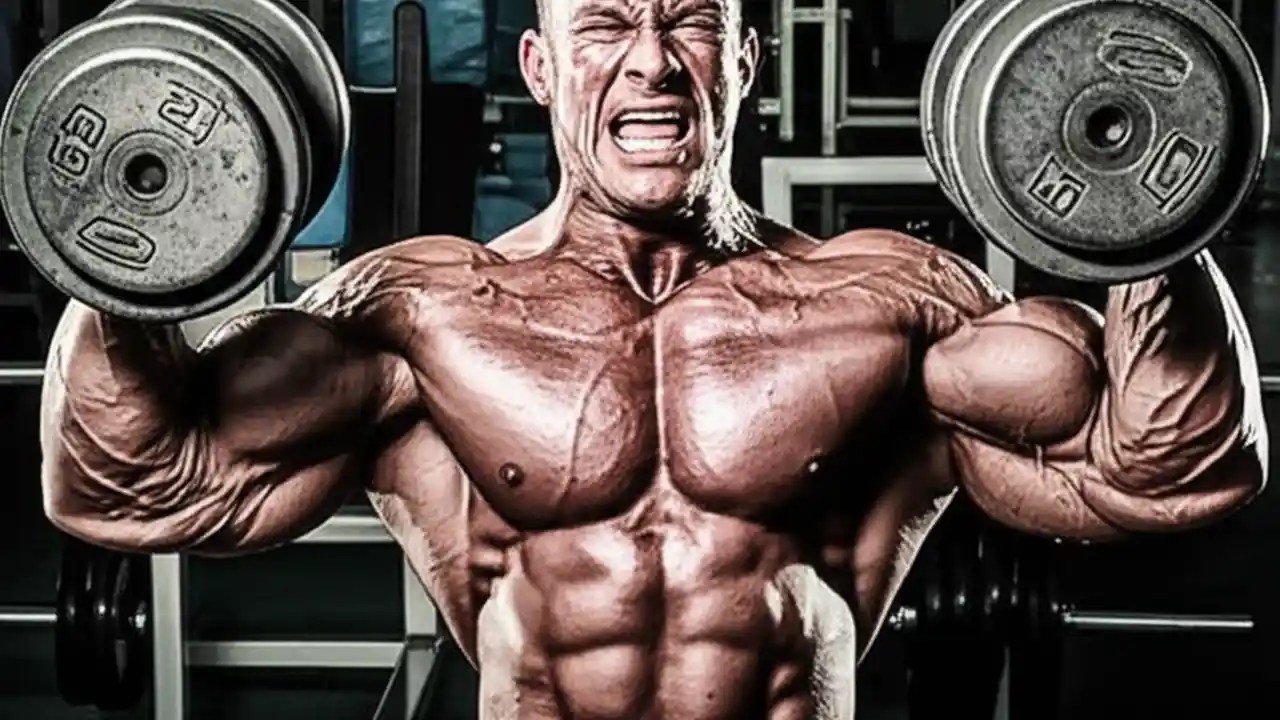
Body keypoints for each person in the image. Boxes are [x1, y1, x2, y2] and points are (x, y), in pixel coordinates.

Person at [38, 0, 1267, 717]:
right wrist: (124, 264)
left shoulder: (887, 307)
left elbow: (1168, 470)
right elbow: (127, 485)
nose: (650, 60)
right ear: (537, 67)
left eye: (688, 20)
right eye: (605, 25)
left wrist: (1145, 225)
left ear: (743, 61)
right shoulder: (421, 317)